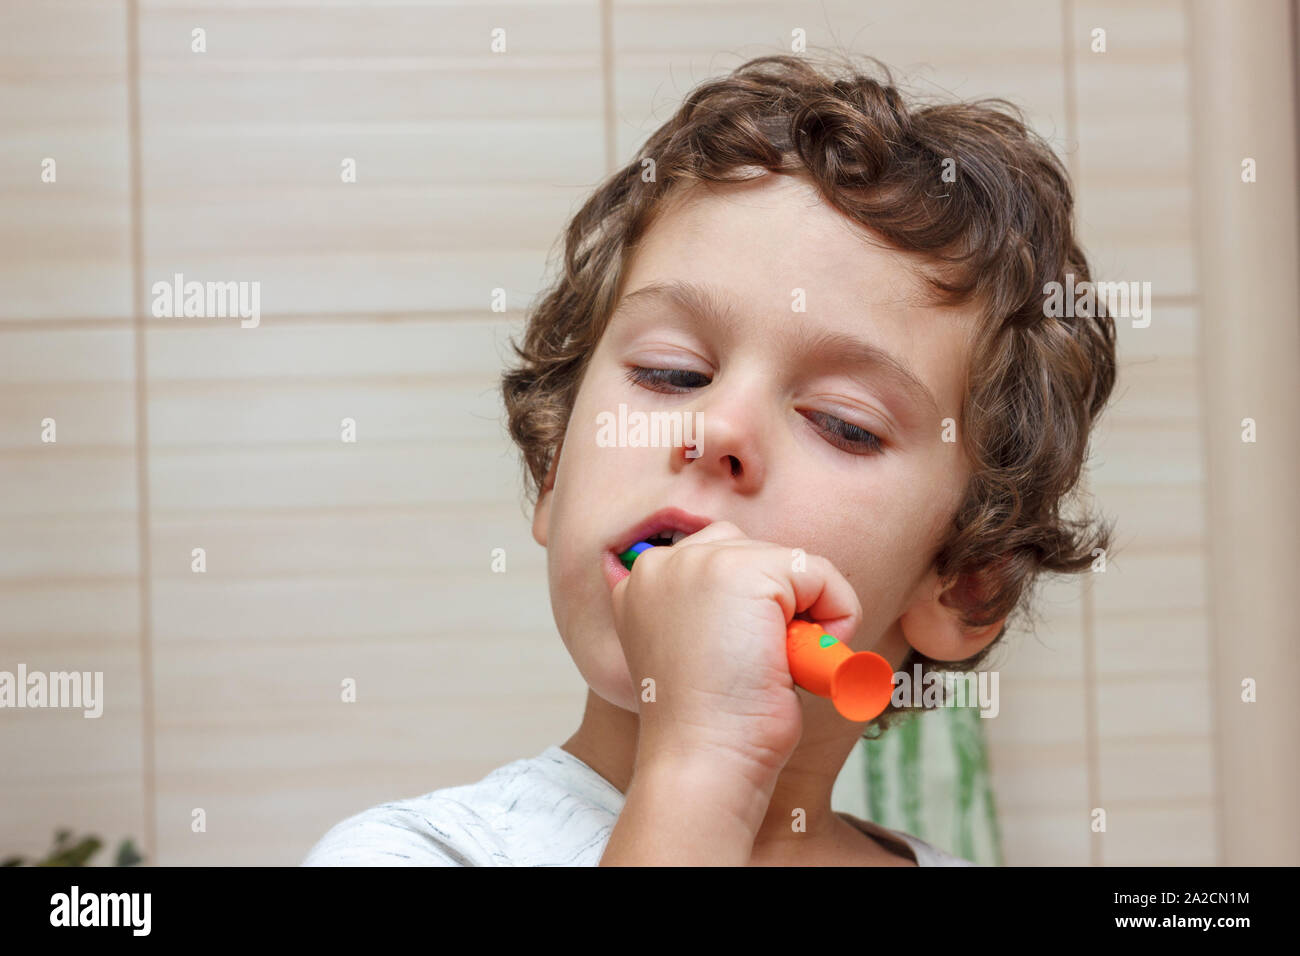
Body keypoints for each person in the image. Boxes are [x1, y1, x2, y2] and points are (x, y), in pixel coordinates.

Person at [303, 53, 1116, 867]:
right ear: (555, 468)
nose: (717, 426)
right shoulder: (415, 854)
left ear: (965, 580)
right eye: (672, 374)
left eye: (842, 424)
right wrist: (704, 762)